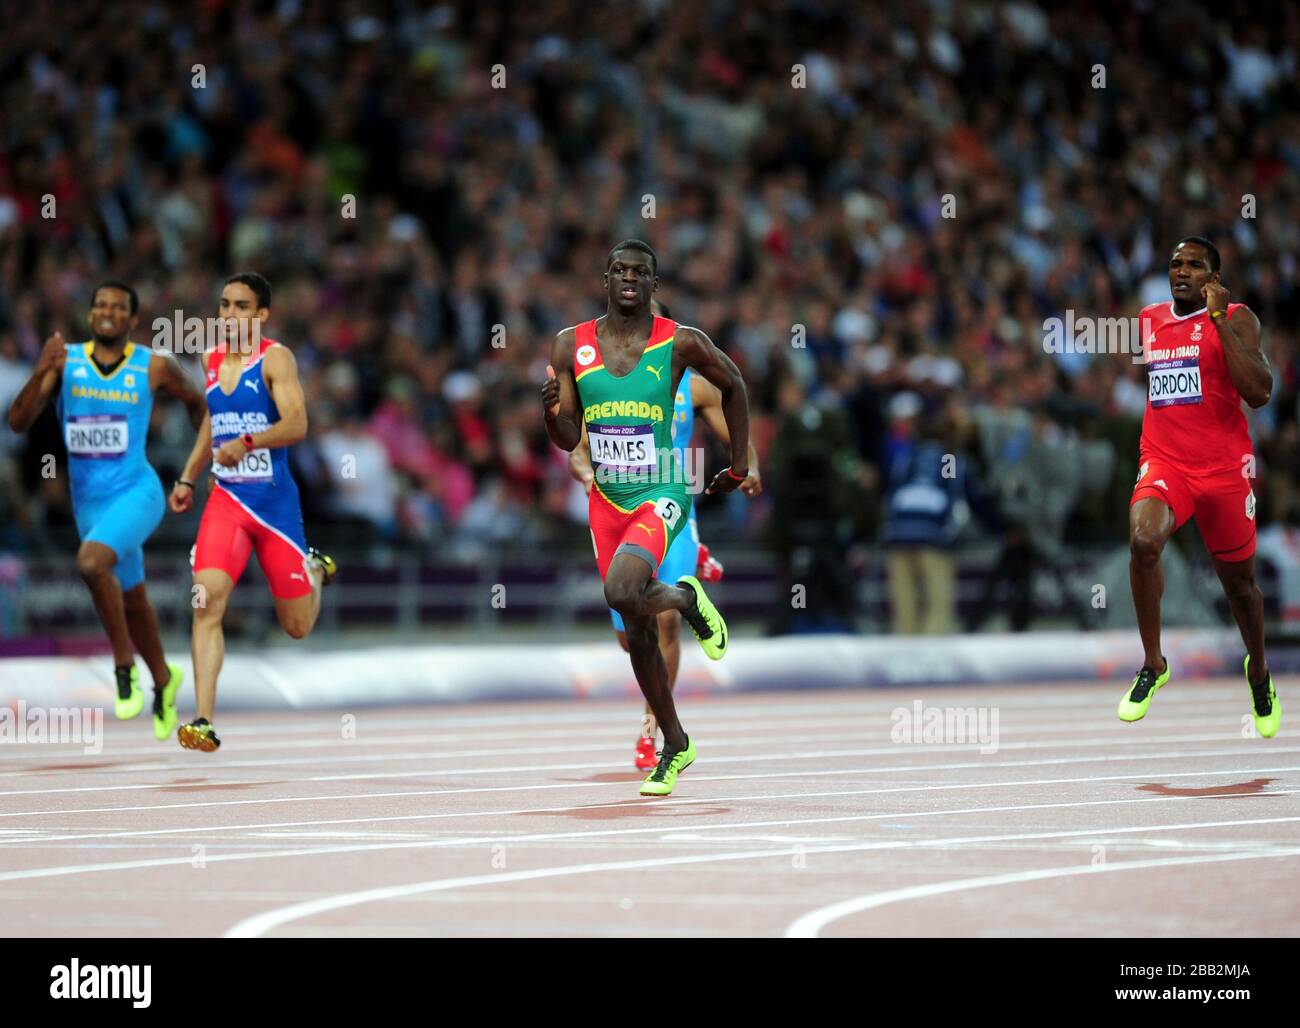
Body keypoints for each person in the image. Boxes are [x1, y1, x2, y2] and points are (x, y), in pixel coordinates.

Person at [542, 240, 751, 796]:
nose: (629, 278)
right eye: (619, 270)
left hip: (661, 489)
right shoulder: (571, 345)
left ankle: (685, 597)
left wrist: (738, 465)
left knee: (621, 589)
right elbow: (568, 438)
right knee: (635, 635)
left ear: (654, 285)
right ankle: (675, 744)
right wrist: (550, 415)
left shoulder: (680, 342)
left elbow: (735, 384)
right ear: (605, 279)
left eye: (641, 272)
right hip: (605, 503)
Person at [6, 281, 205, 738]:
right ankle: (163, 679)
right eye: (100, 305)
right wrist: (40, 371)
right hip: (88, 505)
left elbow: (198, 403)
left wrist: (200, 467)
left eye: (118, 307)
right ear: (91, 314)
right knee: (133, 600)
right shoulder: (66, 361)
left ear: (132, 319)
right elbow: (18, 423)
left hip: (139, 491)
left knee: (91, 563)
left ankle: (123, 668)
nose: (108, 312)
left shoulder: (153, 365)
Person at [169, 273, 336, 752]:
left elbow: (297, 423)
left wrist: (248, 443)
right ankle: (202, 720)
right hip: (227, 500)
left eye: (241, 306)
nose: (229, 315)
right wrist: (187, 474)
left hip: (274, 504)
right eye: (224, 305)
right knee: (205, 600)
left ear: (261, 314)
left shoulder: (276, 358)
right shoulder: (209, 357)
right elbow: (212, 420)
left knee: (297, 627)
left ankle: (315, 572)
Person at [1120, 237, 1278, 735]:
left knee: (1240, 588)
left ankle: (1259, 671)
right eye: (1175, 264)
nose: (1181, 272)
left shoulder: (1237, 318)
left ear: (1213, 278)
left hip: (1225, 471)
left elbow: (1259, 392)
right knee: (1144, 541)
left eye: (1194, 266)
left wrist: (1214, 322)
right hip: (1167, 462)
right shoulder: (1147, 320)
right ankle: (1153, 664)